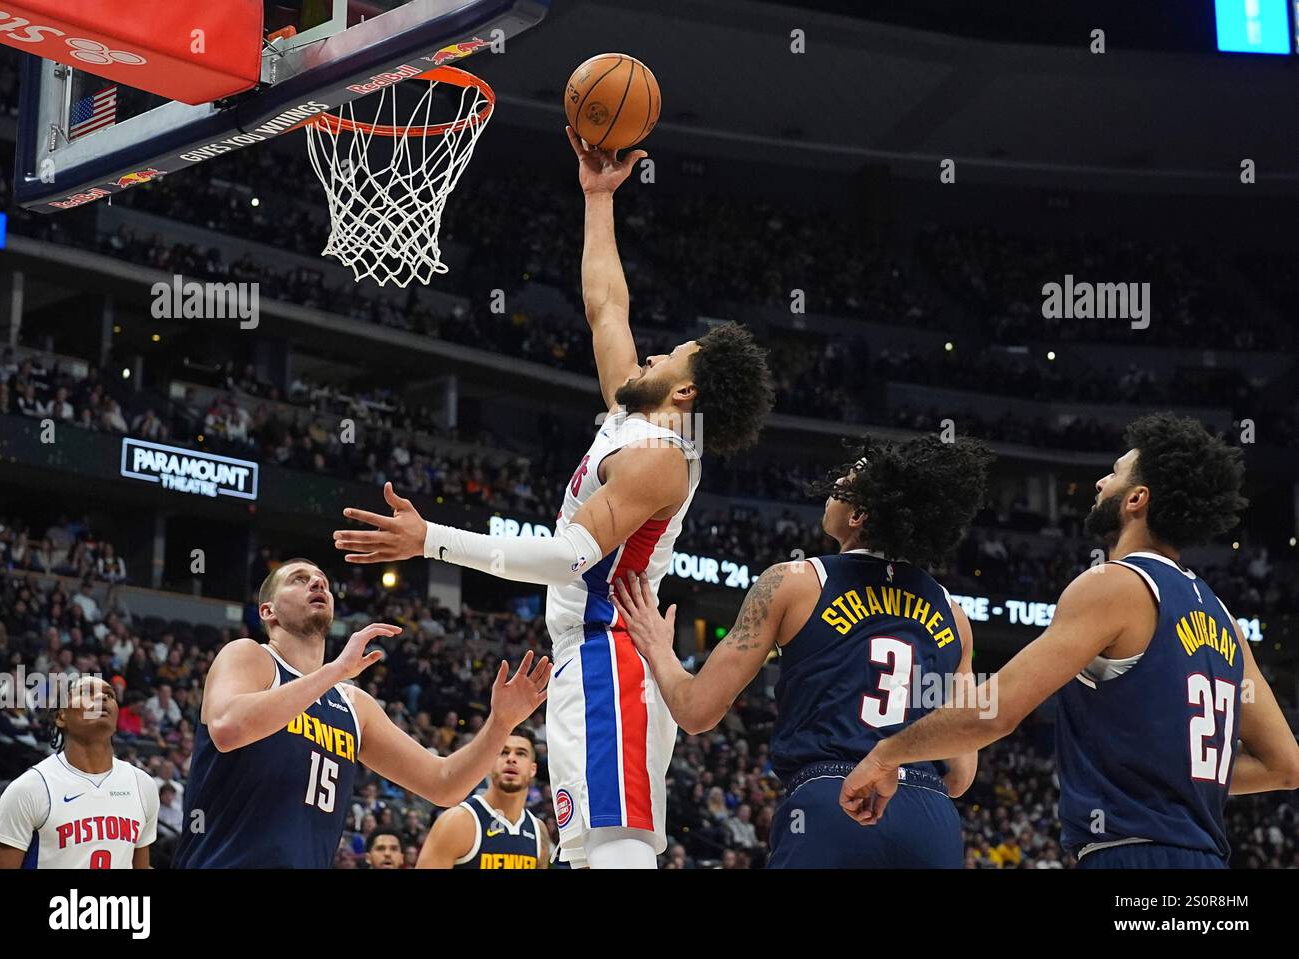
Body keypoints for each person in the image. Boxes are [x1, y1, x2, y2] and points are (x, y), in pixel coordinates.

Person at [332, 129, 775, 869]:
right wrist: (597, 198)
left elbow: (571, 556)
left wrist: (430, 539)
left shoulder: (659, 461)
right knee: (593, 851)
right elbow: (607, 305)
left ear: (688, 390)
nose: (658, 350)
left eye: (675, 354)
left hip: (611, 654)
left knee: (617, 852)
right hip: (586, 654)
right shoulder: (633, 415)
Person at [840, 413, 1299, 868]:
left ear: (1137, 498)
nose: (1101, 482)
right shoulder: (1225, 620)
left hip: (1128, 854)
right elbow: (1284, 766)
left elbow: (995, 711)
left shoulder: (1113, 586)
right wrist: (1170, 776)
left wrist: (887, 754)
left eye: (1115, 472)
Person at [615, 435, 991, 867]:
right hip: (930, 817)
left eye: (844, 483)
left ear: (858, 514)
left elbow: (697, 711)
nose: (832, 490)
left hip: (833, 800)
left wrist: (660, 649)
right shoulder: (954, 615)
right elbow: (961, 776)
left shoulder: (793, 581)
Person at [172, 559, 550, 868]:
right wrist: (335, 670)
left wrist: (501, 724)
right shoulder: (250, 656)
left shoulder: (354, 705)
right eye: (299, 580)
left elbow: (444, 784)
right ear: (267, 610)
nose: (317, 585)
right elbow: (227, 727)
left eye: (322, 581)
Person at [0, 676, 159, 868]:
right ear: (60, 717)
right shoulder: (29, 789)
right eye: (86, 692)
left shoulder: (143, 785)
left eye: (109, 694)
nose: (102, 697)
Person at [417, 732, 549, 869]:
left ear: (533, 769)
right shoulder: (457, 822)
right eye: (503, 752)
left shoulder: (538, 830)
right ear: (490, 763)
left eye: (521, 754)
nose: (511, 758)